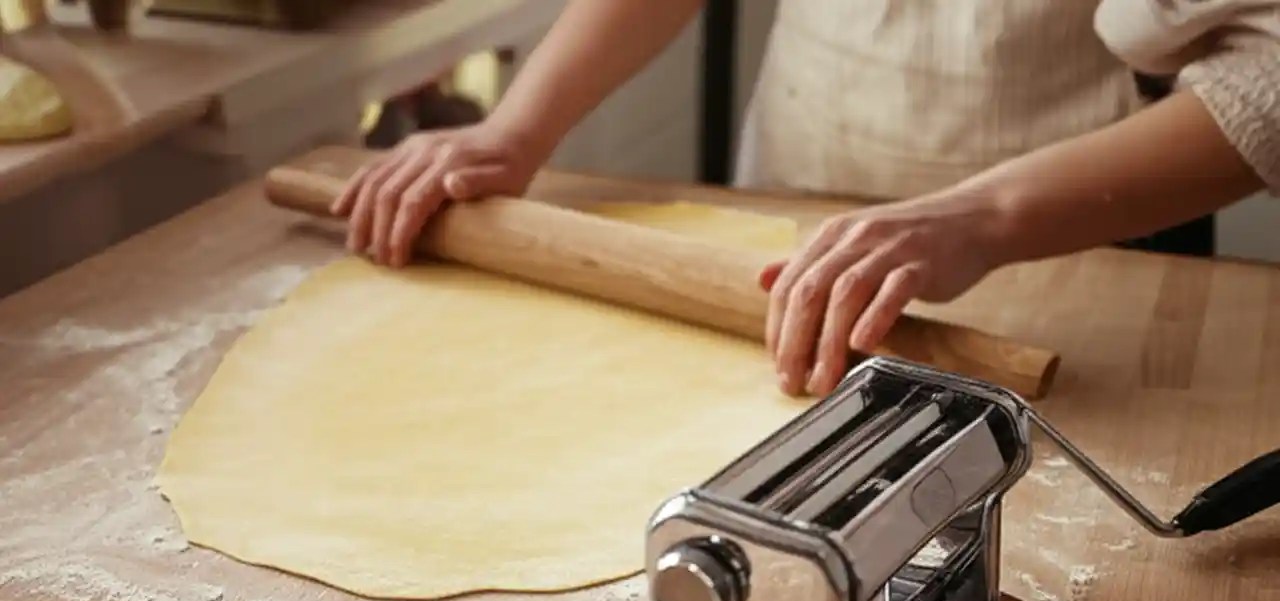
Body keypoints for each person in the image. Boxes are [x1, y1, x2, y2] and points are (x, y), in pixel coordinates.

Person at [331, 0, 1278, 398]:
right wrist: (518, 129)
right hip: (781, 220)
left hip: (1081, 248)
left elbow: (1267, 72)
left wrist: (982, 218)